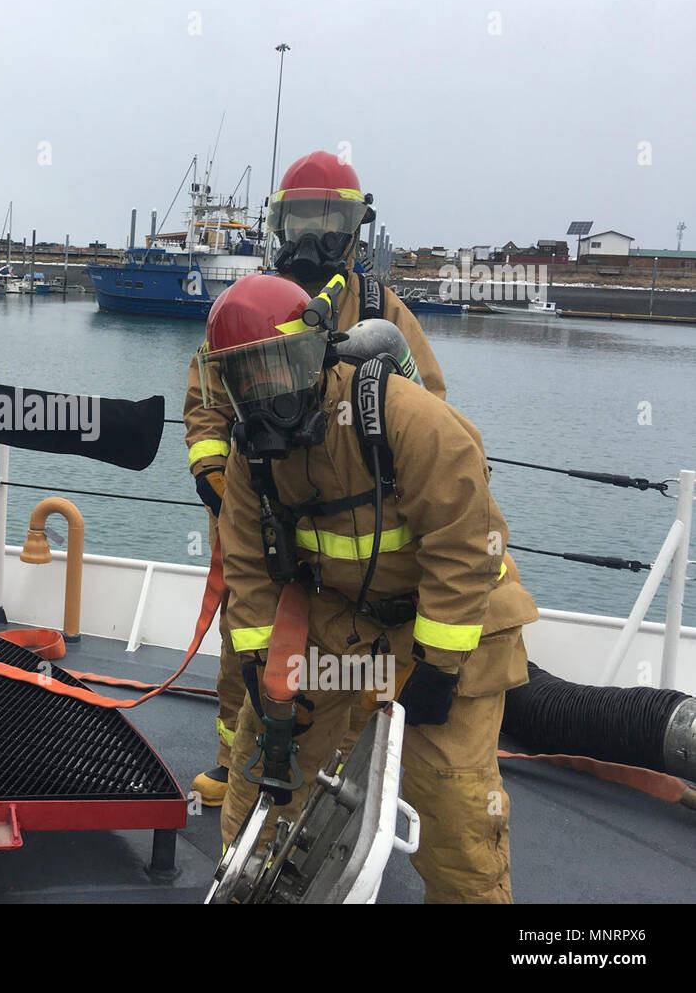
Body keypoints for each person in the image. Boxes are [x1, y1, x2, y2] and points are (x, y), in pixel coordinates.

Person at [202, 272, 538, 903]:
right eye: (245, 376)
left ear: (316, 352)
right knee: (266, 758)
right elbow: (247, 566)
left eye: (277, 368)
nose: (263, 392)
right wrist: (256, 662)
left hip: (453, 628)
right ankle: (249, 888)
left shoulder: (407, 421)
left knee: (453, 797)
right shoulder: (252, 460)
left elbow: (465, 549)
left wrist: (438, 666)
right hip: (339, 624)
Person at [185, 151, 446, 805]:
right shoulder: (250, 307)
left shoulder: (384, 310)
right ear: (278, 225)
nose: (311, 237)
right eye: (299, 220)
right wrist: (224, 487)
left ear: (357, 226)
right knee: (245, 646)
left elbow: (434, 415)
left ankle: (344, 783)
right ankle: (233, 757)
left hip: (359, 527)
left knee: (358, 668)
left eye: (327, 220)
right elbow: (207, 404)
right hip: (265, 515)